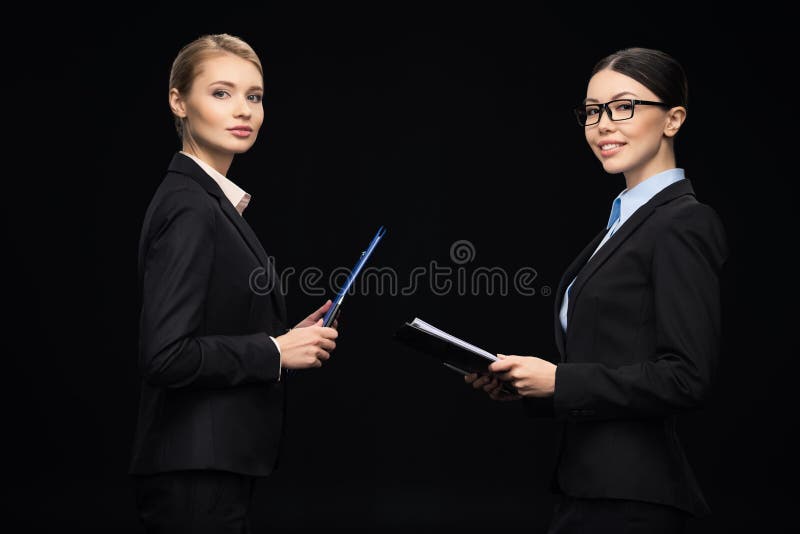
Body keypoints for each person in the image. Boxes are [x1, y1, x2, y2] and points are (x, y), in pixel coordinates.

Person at [466, 47, 728, 533]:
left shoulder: (683, 222)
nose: (603, 124)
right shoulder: (621, 224)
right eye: (592, 111)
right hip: (587, 490)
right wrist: (528, 385)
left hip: (633, 499)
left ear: (673, 119)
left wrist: (559, 381)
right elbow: (611, 360)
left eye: (624, 106)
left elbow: (687, 378)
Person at [129, 33, 339, 533]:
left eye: (255, 96)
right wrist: (275, 350)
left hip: (207, 467)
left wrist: (285, 336)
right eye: (221, 93)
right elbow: (165, 356)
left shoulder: (205, 201)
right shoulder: (190, 206)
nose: (243, 110)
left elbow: (209, 323)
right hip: (194, 473)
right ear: (179, 101)